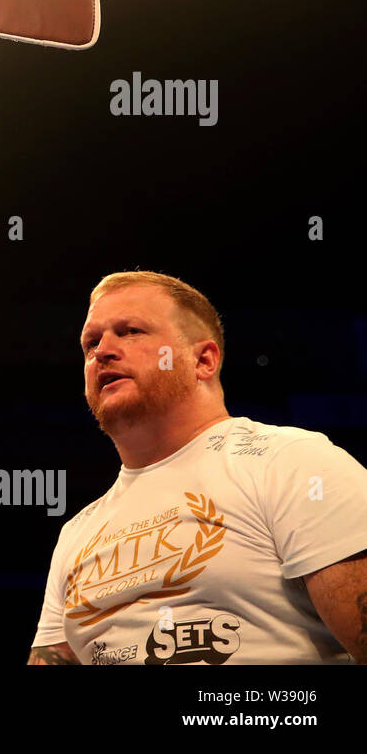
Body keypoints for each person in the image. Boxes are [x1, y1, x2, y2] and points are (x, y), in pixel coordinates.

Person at [30, 271, 367, 665]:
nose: (102, 350)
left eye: (131, 331)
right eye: (90, 342)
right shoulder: (76, 534)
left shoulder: (293, 463)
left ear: (203, 360)